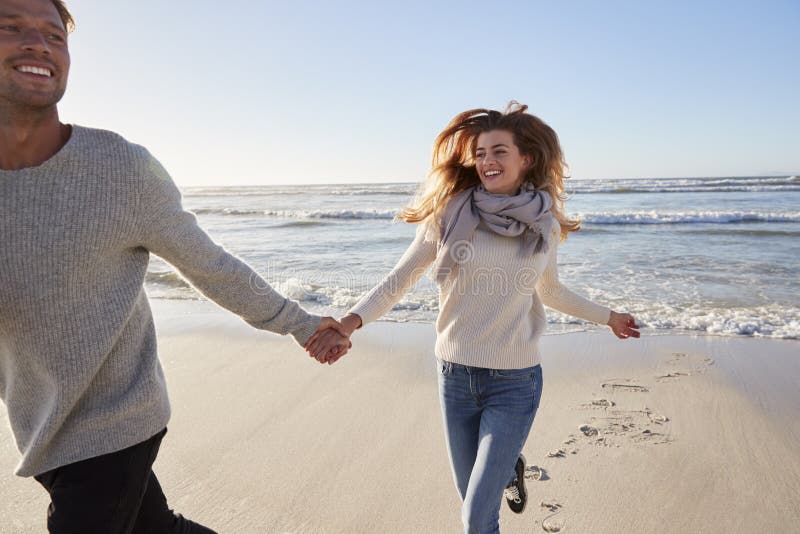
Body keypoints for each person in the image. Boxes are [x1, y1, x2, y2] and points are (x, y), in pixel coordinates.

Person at [0, 1, 349, 532]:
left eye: (54, 35)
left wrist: (300, 324)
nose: (38, 44)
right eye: (11, 28)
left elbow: (211, 266)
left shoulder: (120, 169)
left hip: (117, 424)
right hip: (40, 425)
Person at [306, 102, 640, 533]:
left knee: (475, 518)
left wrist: (608, 317)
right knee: (475, 506)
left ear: (527, 159)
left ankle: (503, 467)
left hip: (515, 383)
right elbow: (402, 277)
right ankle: (508, 468)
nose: (487, 162)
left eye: (499, 151)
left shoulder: (544, 224)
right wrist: (350, 322)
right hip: (455, 377)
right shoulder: (450, 213)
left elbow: (551, 290)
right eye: (480, 154)